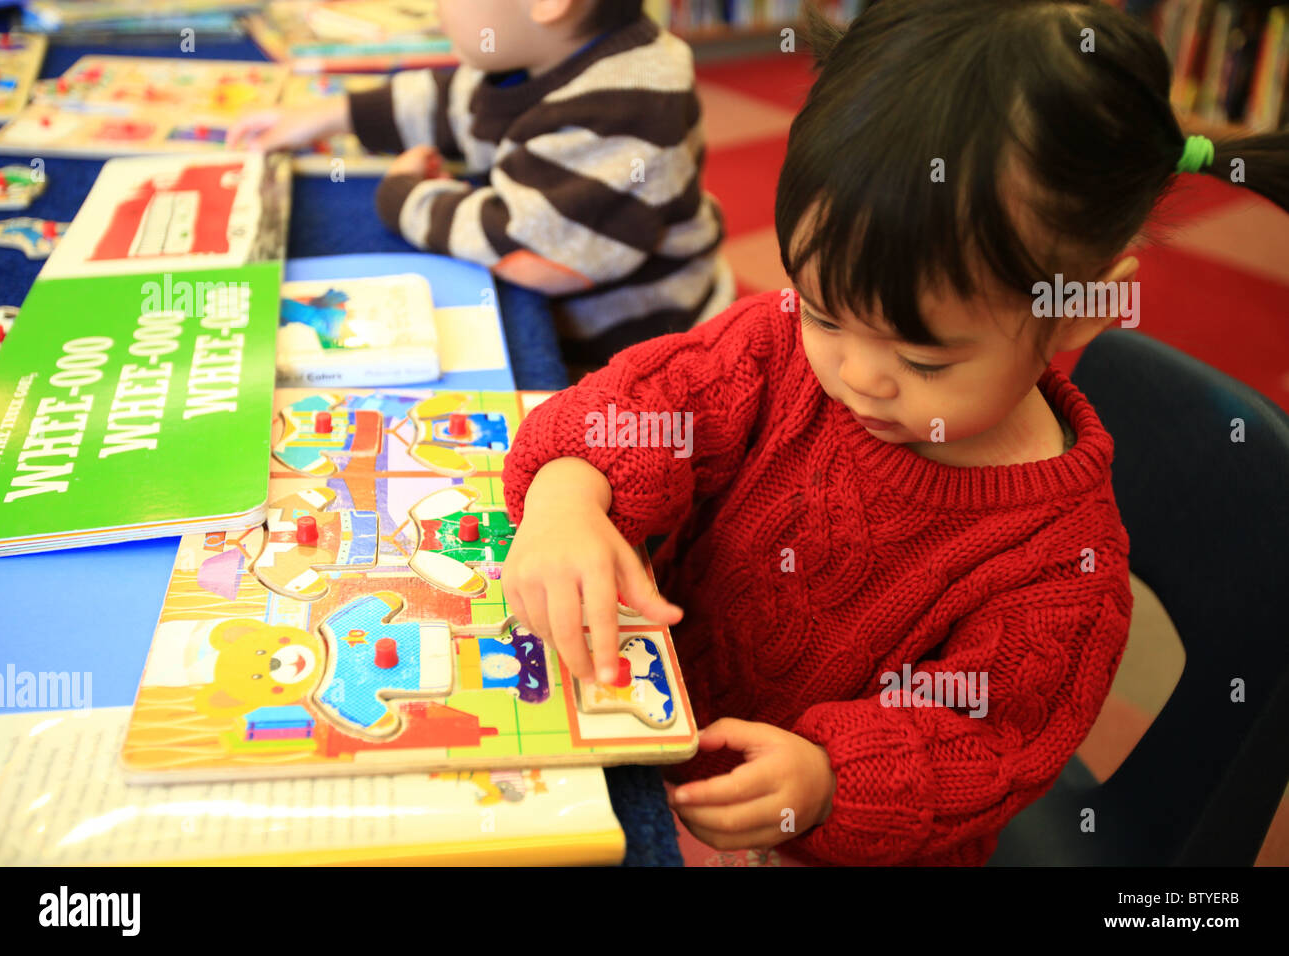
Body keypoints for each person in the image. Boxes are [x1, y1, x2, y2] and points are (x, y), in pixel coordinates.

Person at [495, 0, 1289, 864]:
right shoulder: (775, 344)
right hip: (651, 729)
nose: (858, 375)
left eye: (924, 359)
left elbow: (982, 749)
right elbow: (648, 401)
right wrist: (571, 493)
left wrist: (829, 781)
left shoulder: (1065, 572)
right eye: (827, 314)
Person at [229, 0, 722, 369]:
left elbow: (532, 250)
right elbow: (452, 100)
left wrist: (408, 200)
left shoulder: (624, 104)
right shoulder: (546, 51)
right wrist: (331, 115)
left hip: (625, 344)